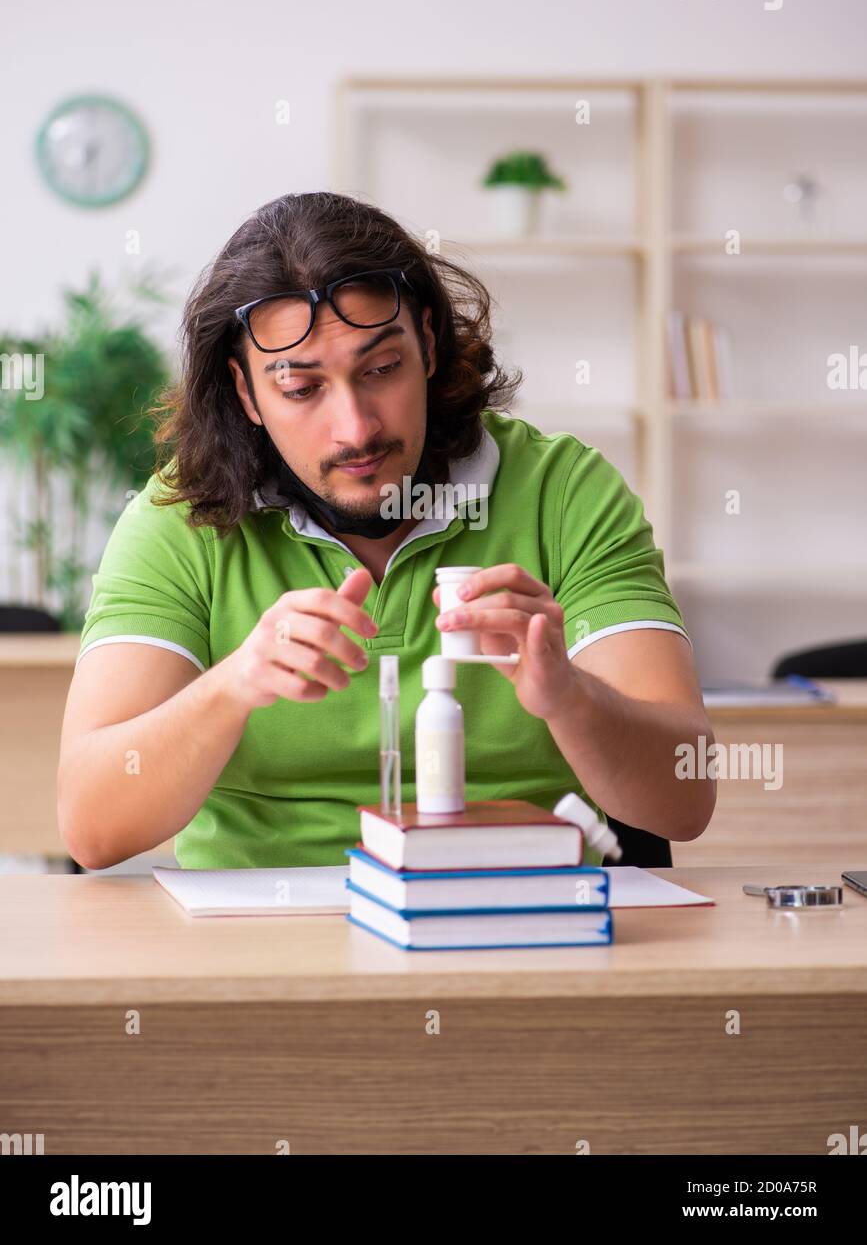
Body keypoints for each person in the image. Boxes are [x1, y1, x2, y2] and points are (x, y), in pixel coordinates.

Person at [57, 191, 715, 870]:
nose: (357, 428)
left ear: (426, 345)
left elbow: (685, 800)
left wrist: (571, 698)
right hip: (263, 949)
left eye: (380, 370)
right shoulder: (178, 520)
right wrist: (234, 685)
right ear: (247, 393)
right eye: (301, 388)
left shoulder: (563, 493)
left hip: (523, 927)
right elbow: (91, 828)